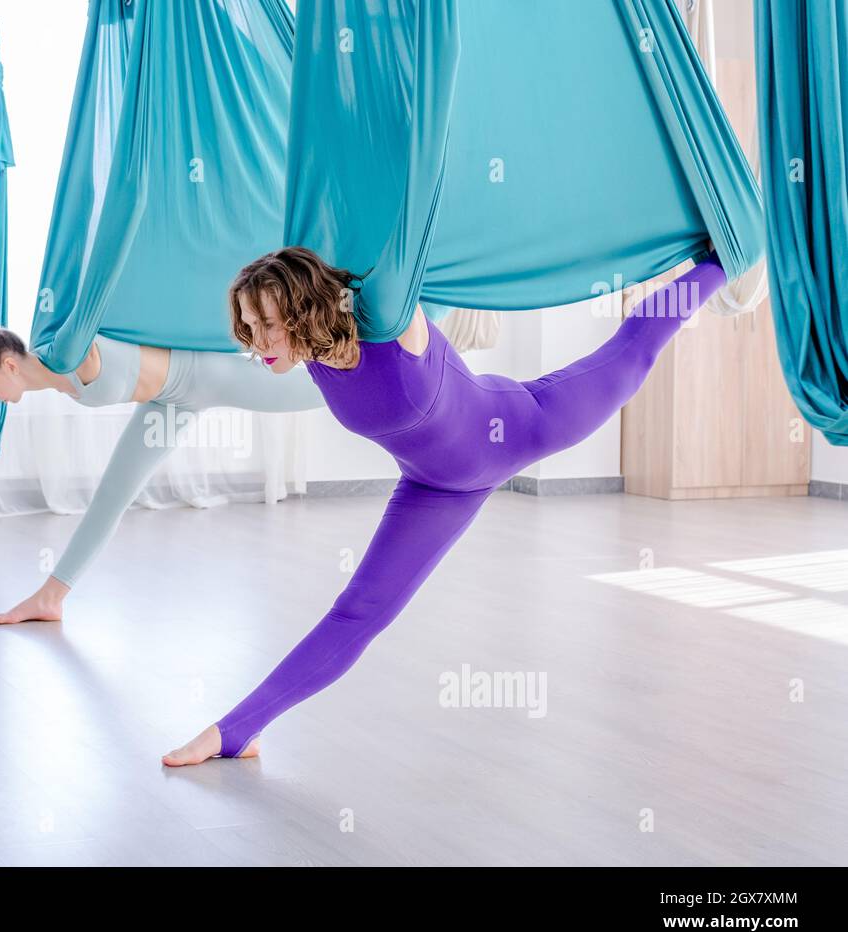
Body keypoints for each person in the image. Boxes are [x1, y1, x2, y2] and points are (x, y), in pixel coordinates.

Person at [162, 245, 727, 766]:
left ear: (302, 309)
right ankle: (238, 730)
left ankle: (723, 259)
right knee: (358, 613)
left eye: (265, 324)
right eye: (250, 326)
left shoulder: (393, 327)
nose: (256, 340)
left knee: (633, 354)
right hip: (433, 488)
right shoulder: (306, 354)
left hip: (527, 423)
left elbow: (402, 239)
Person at [0, 307, 325, 622]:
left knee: (330, 388)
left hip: (207, 377)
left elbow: (91, 293)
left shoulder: (71, 351)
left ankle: (372, 341)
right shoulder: (51, 363)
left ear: (9, 365)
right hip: (167, 404)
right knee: (111, 497)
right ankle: (49, 599)